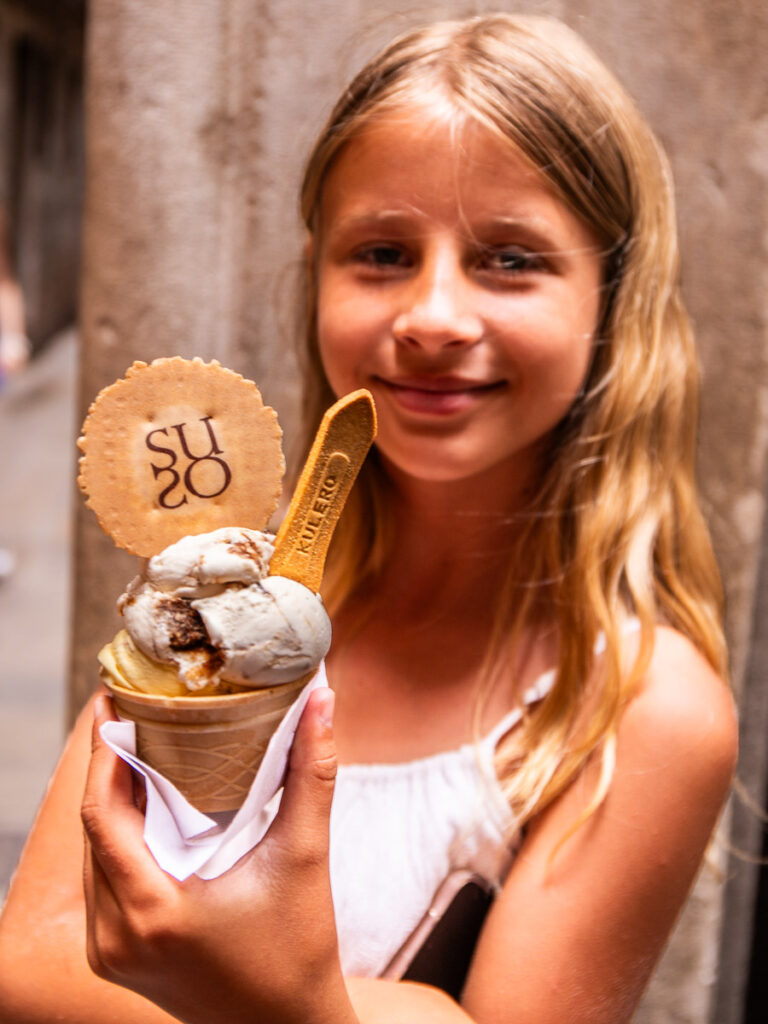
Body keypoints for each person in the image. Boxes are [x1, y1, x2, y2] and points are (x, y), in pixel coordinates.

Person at [0, 13, 737, 1023]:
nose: (433, 315)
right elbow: (28, 964)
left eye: (512, 259)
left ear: (610, 299)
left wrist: (289, 995)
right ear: (317, 278)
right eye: (383, 252)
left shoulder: (641, 712)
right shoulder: (218, 608)